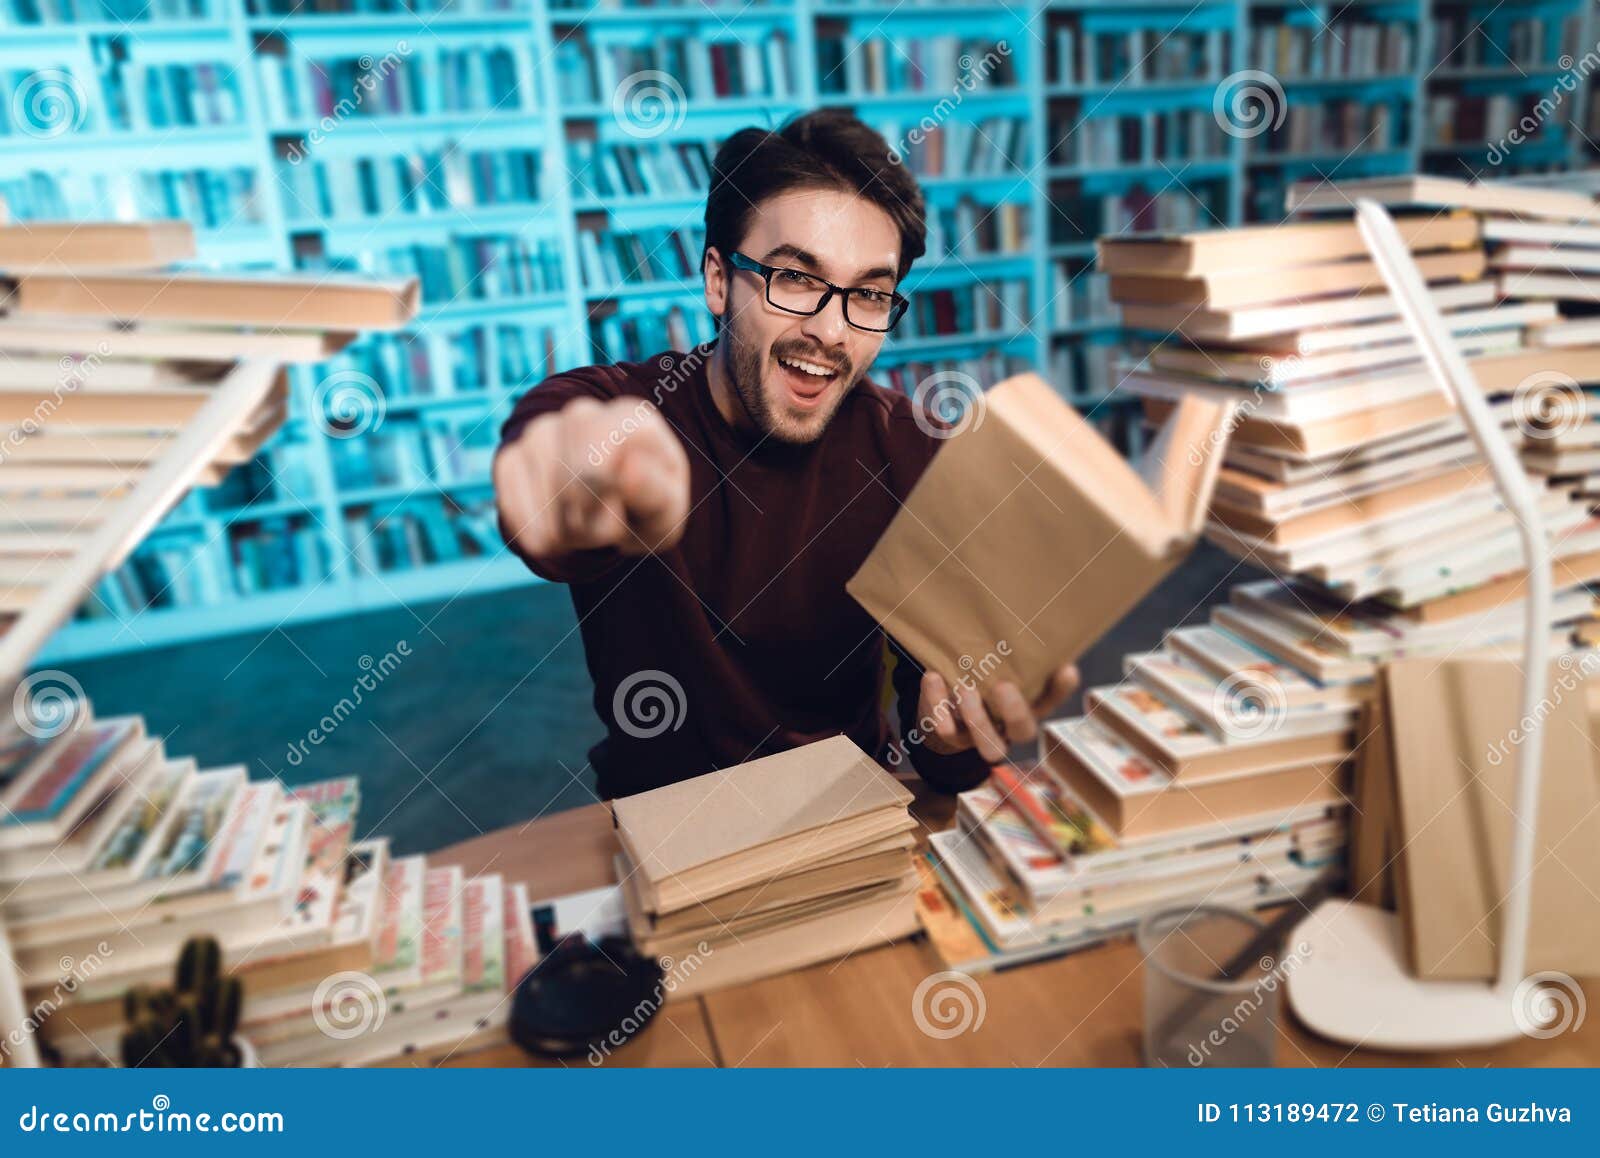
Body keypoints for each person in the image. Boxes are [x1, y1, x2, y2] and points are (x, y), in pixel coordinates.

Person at [493, 108, 1078, 800]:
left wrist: (955, 738)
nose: (831, 330)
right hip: (663, 823)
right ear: (718, 279)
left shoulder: (914, 450)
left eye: (868, 294)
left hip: (848, 809)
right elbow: (552, 479)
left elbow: (946, 740)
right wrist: (575, 479)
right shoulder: (621, 414)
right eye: (795, 278)